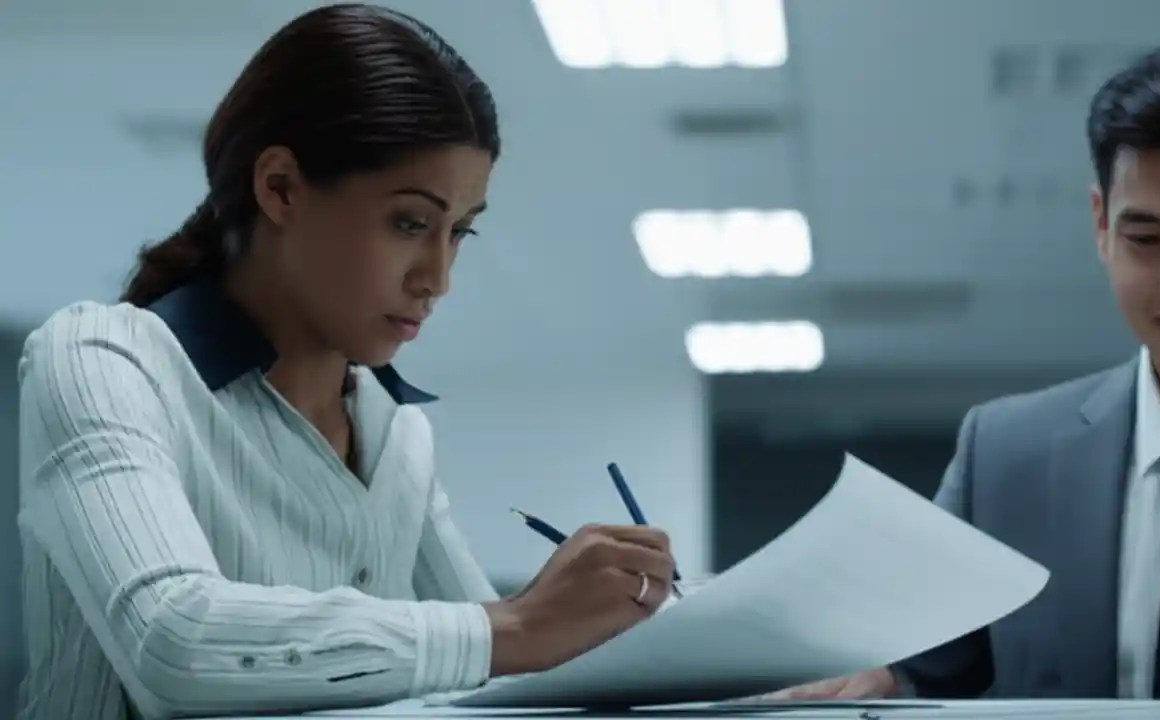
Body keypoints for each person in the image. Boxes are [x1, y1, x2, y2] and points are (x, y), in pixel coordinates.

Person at [14, 5, 676, 719]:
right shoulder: (102, 362)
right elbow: (176, 641)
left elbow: (492, 674)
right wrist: (515, 625)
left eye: (459, 233)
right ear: (281, 189)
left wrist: (728, 676)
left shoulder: (396, 433)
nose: (437, 278)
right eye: (410, 224)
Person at [775, 35, 1160, 701]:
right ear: (1100, 224)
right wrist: (858, 678)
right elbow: (909, 672)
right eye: (1146, 239)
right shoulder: (1008, 458)